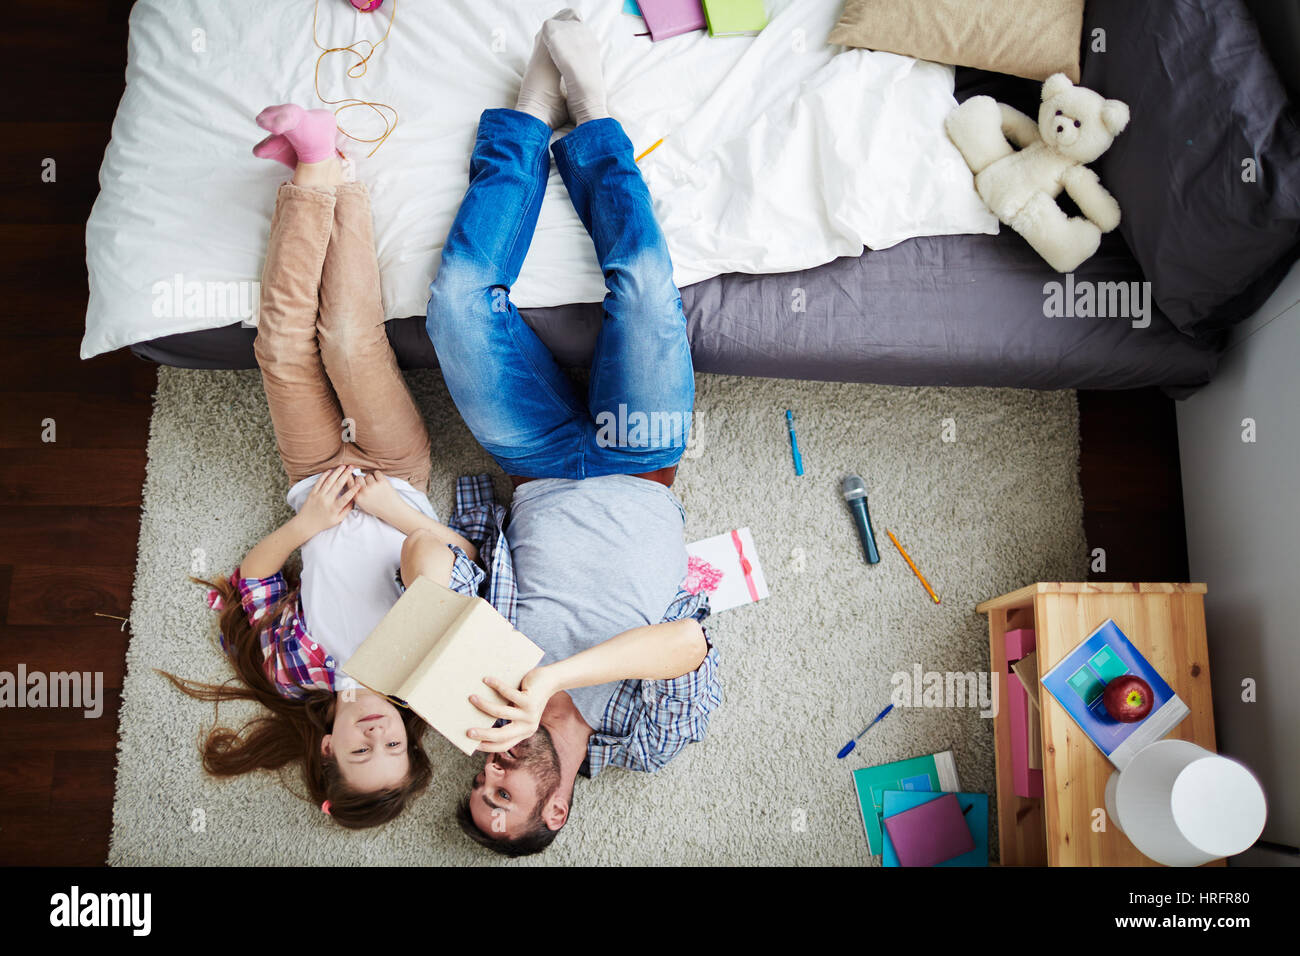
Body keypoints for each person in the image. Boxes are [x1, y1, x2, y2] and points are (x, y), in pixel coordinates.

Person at [426, 11, 720, 857]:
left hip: (537, 463)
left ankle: (524, 122)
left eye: (478, 787)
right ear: (555, 811)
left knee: (455, 304)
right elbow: (689, 641)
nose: (490, 774)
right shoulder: (646, 739)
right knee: (645, 287)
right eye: (503, 798)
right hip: (641, 462)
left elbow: (443, 574)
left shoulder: (474, 700)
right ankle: (592, 115)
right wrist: (555, 678)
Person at [164, 106, 489, 829]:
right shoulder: (421, 666)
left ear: (328, 748)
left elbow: (250, 582)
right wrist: (386, 508)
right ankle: (332, 171)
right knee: (346, 341)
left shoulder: (292, 674)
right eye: (393, 743)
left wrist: (309, 520)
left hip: (312, 476)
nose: (377, 732)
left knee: (280, 349)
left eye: (362, 749)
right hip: (393, 472)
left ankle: (316, 169)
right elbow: (447, 552)